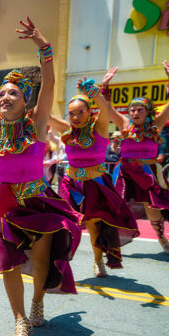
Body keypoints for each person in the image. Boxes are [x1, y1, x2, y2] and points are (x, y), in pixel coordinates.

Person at [0, 19, 81, 336]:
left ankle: (38, 302)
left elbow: (49, 85)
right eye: (1, 93)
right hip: (6, 203)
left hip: (36, 201)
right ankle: (19, 319)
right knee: (9, 264)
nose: (5, 96)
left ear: (25, 100)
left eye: (13, 92)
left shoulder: (37, 124)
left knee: (40, 261)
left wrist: (43, 46)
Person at [49, 79, 139, 277]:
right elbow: (44, 115)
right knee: (64, 224)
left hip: (95, 185)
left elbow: (105, 109)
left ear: (90, 112)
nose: (75, 117)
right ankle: (59, 261)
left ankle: (98, 261)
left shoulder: (99, 128)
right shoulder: (67, 131)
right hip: (71, 184)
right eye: (71, 113)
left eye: (80, 111)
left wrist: (94, 92)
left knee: (94, 225)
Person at [100, 63, 169, 253]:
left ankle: (161, 238)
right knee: (115, 204)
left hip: (148, 172)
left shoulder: (157, 123)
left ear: (147, 111)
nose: (135, 113)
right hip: (126, 171)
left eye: (140, 110)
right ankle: (111, 242)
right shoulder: (124, 122)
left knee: (152, 208)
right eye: (132, 110)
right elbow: (106, 108)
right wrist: (105, 85)